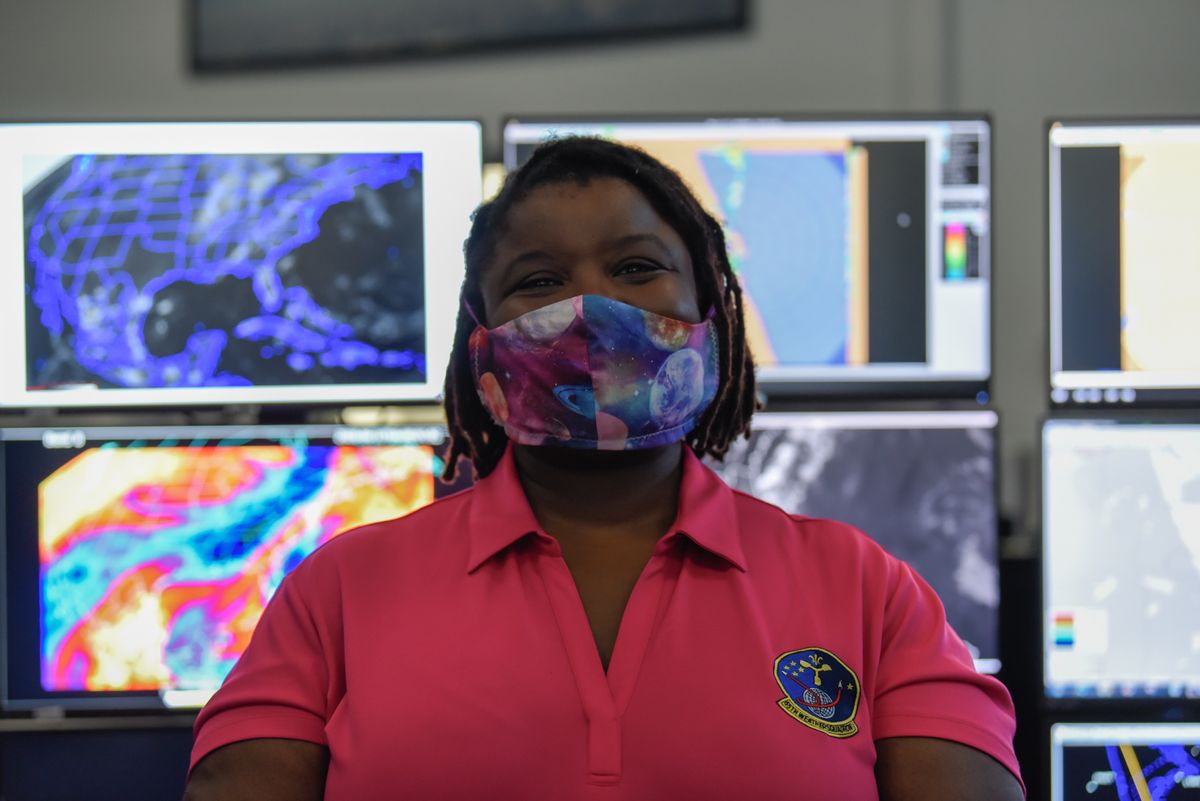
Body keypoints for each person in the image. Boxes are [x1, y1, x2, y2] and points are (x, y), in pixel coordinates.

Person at [183, 137, 1025, 800]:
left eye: (636, 268)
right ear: (479, 345)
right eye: (539, 280)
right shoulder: (340, 591)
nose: (591, 310)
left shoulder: (868, 590)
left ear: (713, 313)